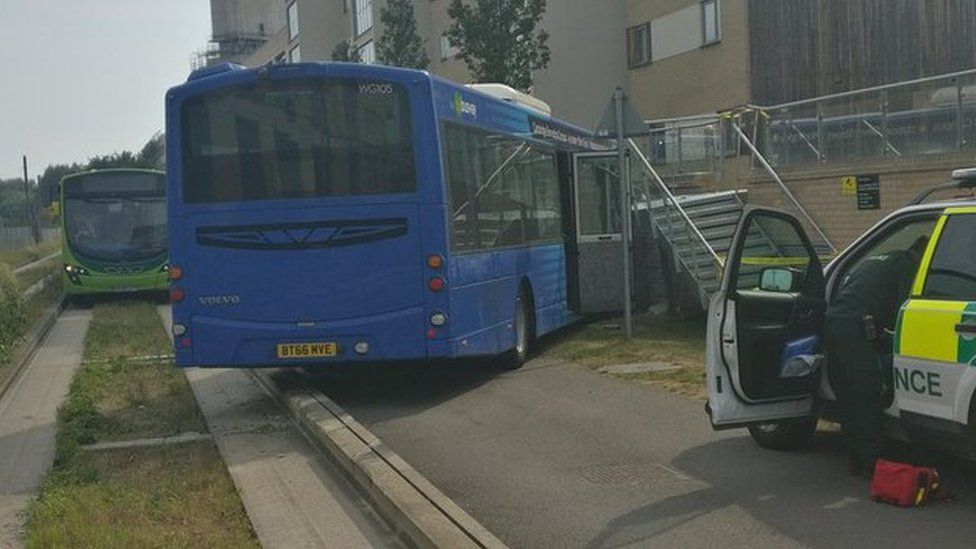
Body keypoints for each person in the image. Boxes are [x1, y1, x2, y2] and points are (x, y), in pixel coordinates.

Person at [824, 236, 929, 479]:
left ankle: (856, 459)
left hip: (835, 324)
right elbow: (905, 310)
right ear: (922, 256)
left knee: (847, 396)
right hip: (857, 330)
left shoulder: (883, 259)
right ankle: (873, 465)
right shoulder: (907, 266)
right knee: (865, 396)